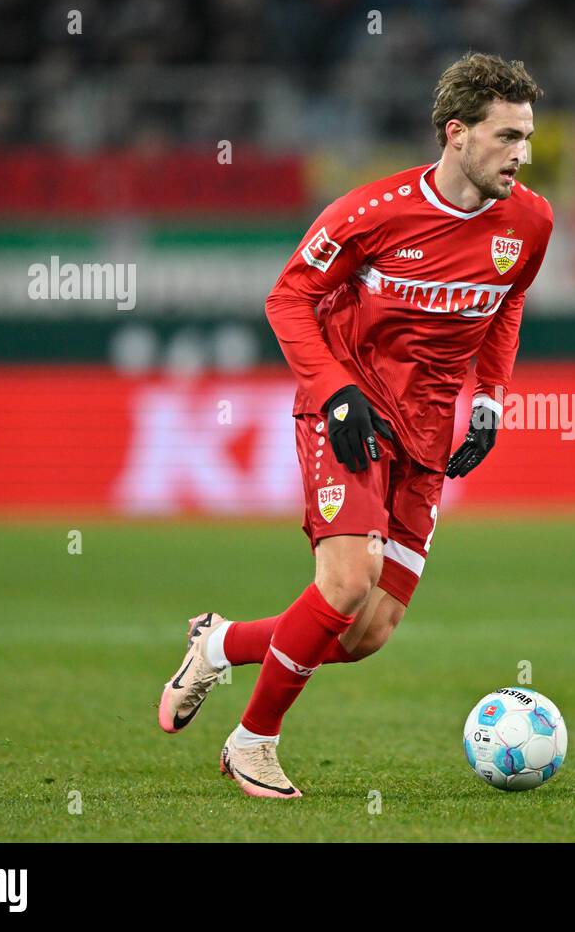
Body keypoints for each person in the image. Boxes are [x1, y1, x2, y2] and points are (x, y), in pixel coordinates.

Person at [157, 52, 553, 798]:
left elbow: (507, 304)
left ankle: (217, 644)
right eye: (507, 137)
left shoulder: (530, 221)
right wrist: (335, 390)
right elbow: (287, 299)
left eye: (527, 137)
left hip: (430, 434)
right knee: (346, 581)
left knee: (366, 633)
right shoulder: (370, 212)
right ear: (456, 133)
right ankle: (253, 743)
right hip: (349, 414)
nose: (522, 155)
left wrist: (492, 398)